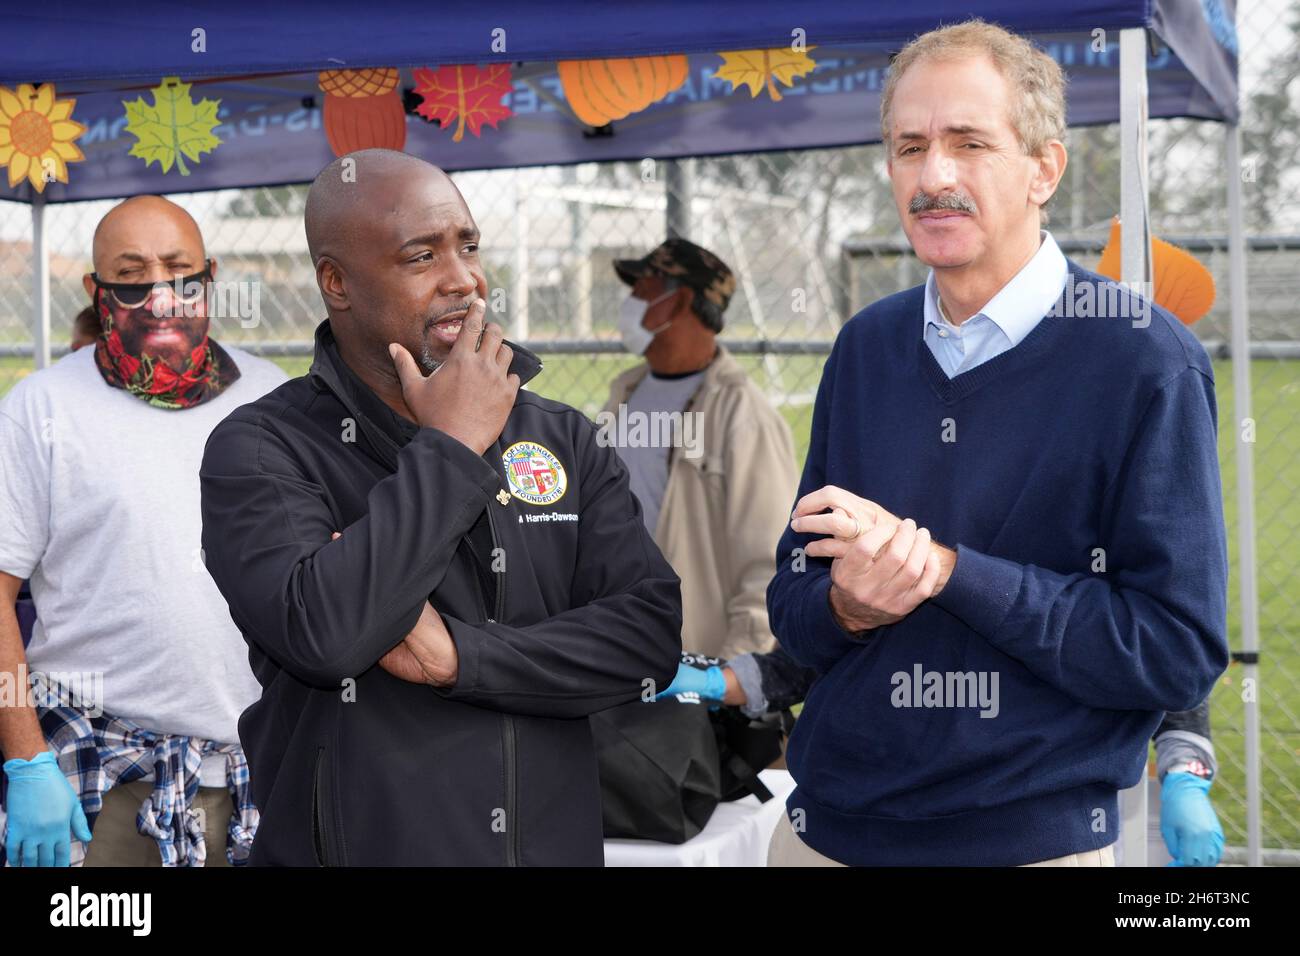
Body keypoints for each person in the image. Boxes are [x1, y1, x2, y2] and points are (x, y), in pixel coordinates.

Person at [765, 19, 1228, 867]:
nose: (933, 176)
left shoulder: (1144, 362)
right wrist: (846, 605)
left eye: (969, 142)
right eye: (910, 147)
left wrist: (948, 572)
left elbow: (1174, 653)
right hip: (822, 835)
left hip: (1023, 847)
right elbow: (793, 610)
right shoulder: (867, 347)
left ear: (1044, 168)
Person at [198, 149, 682, 866]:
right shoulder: (265, 448)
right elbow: (327, 635)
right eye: (421, 256)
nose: (464, 280)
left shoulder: (557, 434)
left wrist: (464, 658)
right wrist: (452, 446)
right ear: (337, 283)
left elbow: (647, 637)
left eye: (469, 246)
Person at [0, 195, 286, 867]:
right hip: (101, 772)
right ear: (96, 291)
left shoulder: (270, 398)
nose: (160, 296)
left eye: (179, 270)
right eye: (132, 276)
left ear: (210, 276)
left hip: (255, 770)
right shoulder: (40, 409)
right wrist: (24, 759)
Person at [604, 238, 797, 662]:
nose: (630, 301)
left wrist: (731, 675)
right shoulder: (625, 392)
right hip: (617, 643)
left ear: (680, 299)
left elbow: (768, 564)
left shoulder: (744, 417)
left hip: (693, 664)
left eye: (643, 288)